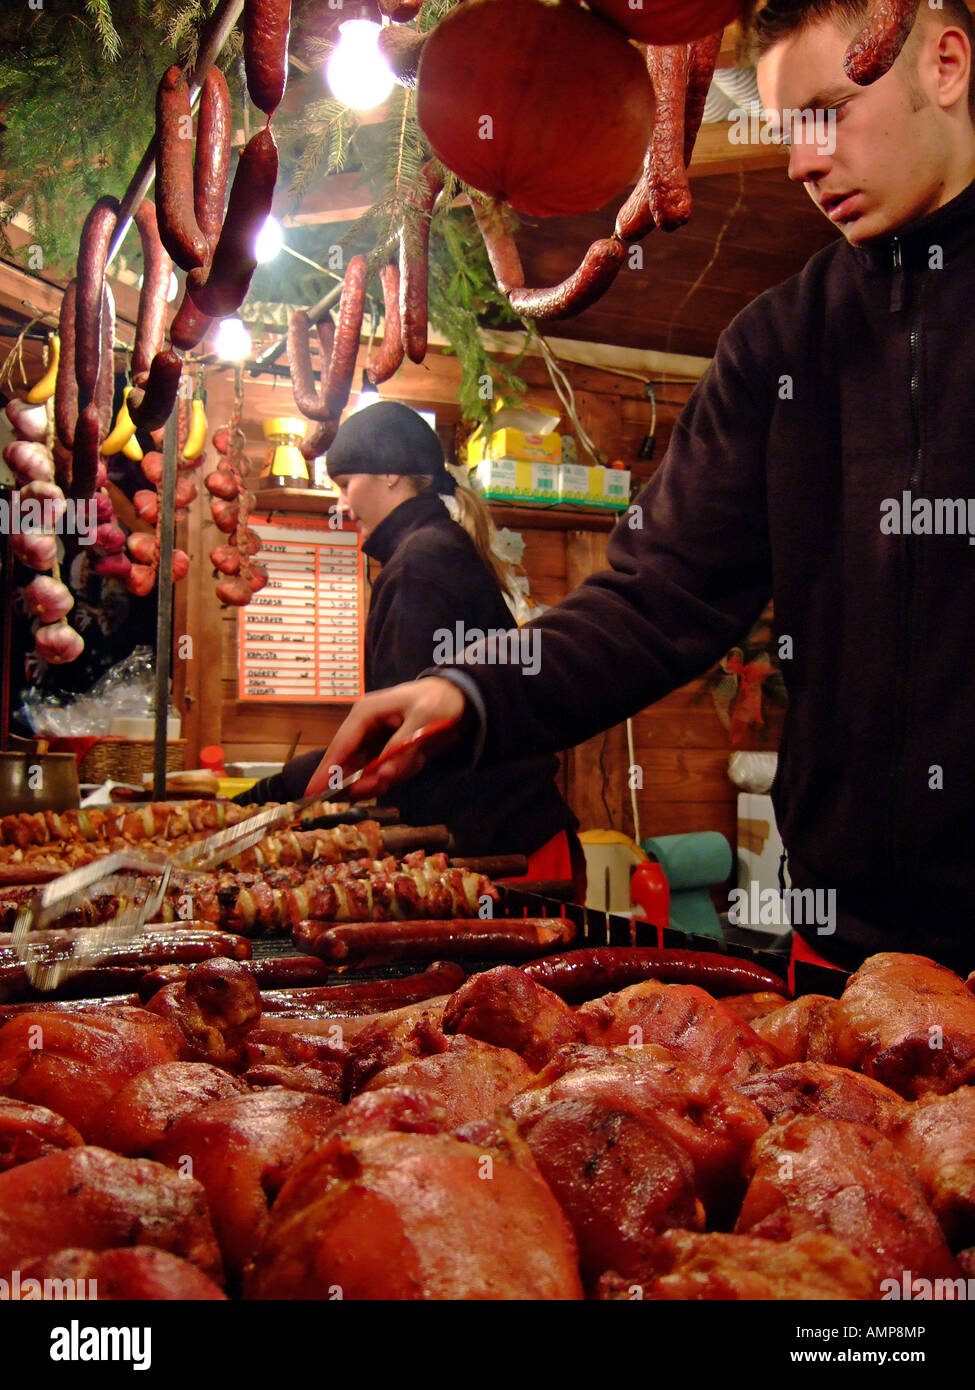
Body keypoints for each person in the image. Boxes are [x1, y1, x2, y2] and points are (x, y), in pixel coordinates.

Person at [316, 0, 975, 975]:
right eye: (789, 126)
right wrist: (470, 691)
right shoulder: (779, 346)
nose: (800, 162)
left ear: (949, 65)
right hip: (848, 961)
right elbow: (657, 599)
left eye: (827, 112)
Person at [243, 400, 579, 867]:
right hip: (509, 843)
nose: (340, 504)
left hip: (510, 856)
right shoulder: (434, 548)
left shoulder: (421, 564)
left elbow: (401, 738)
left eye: (344, 484)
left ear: (390, 474)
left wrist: (272, 793)